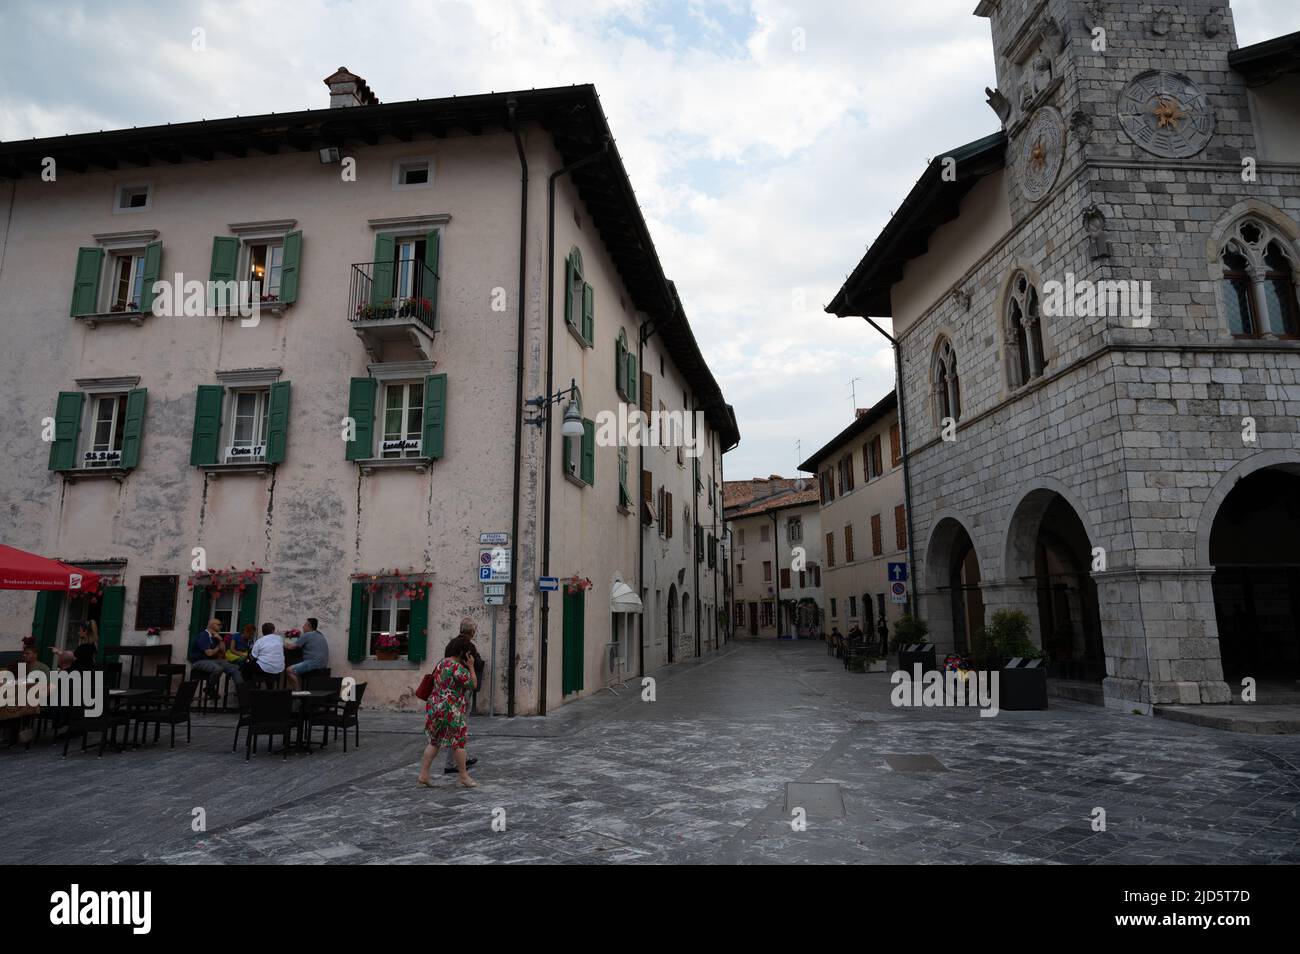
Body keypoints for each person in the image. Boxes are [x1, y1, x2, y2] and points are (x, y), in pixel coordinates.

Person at [417, 635, 478, 789]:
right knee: (458, 742)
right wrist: (471, 666)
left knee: (434, 741)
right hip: (451, 709)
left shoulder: (441, 663)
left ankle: (423, 775)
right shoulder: (457, 668)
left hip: (435, 708)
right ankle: (463, 776)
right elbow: (473, 684)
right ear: (464, 652)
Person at [443, 618, 483, 774]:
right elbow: (477, 664)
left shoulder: (450, 644)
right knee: (460, 727)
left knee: (455, 727)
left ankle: (459, 758)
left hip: (449, 690)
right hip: (462, 689)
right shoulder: (469, 646)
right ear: (472, 632)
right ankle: (451, 763)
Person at [189, 617, 243, 698]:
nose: (221, 626)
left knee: (235, 668)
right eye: (219, 625)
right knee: (218, 669)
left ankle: (242, 695)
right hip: (199, 661)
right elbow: (209, 653)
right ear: (211, 625)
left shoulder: (215, 636)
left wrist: (220, 639)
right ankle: (209, 688)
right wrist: (218, 647)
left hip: (212, 661)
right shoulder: (203, 635)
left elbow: (223, 652)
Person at [284, 617, 329, 690]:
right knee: (296, 667)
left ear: (309, 626)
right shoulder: (320, 635)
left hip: (314, 662)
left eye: (305, 625)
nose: (303, 627)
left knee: (289, 670)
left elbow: (290, 647)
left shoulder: (308, 635)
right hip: (323, 663)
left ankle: (297, 694)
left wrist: (280, 642)